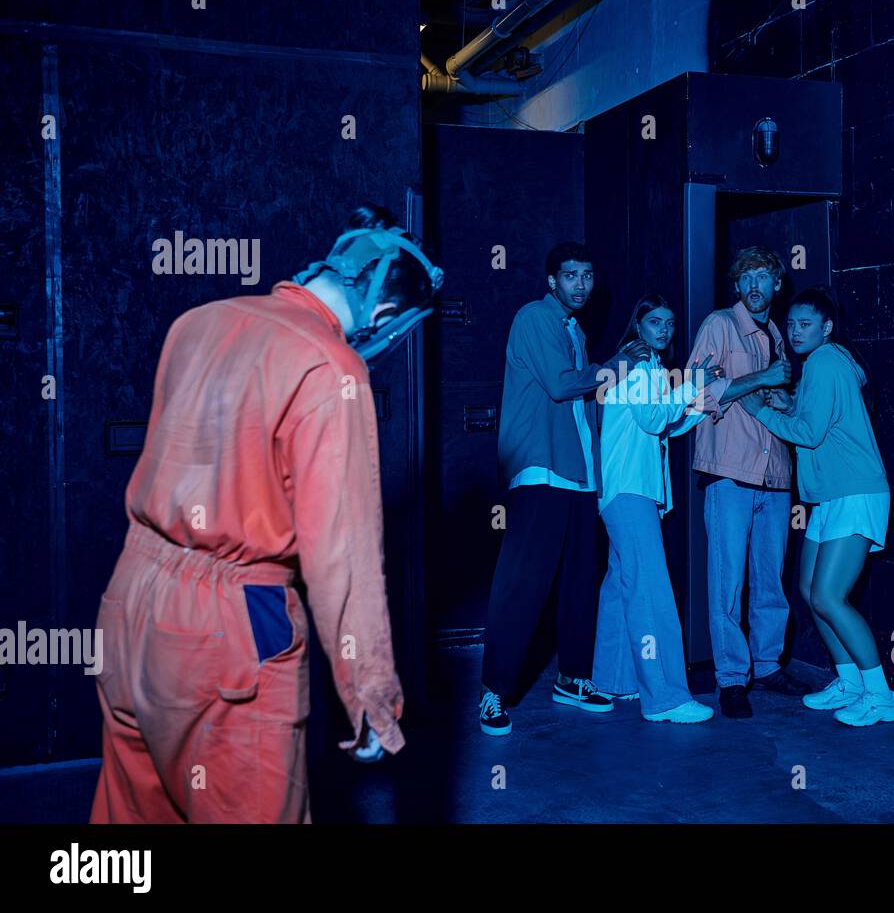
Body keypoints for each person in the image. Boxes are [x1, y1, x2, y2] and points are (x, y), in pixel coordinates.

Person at [90, 203, 445, 823]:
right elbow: (343, 555)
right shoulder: (331, 367)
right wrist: (370, 695)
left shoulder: (197, 321)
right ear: (385, 316)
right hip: (231, 629)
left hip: (131, 607)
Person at [478, 243, 651, 736]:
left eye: (588, 274)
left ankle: (573, 678)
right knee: (522, 585)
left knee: (579, 581)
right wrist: (616, 364)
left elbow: (583, 403)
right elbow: (559, 385)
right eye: (571, 275)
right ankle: (493, 691)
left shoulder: (573, 329)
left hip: (578, 475)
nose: (581, 284)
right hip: (541, 471)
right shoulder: (535, 317)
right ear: (552, 281)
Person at [736, 285, 894, 727]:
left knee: (830, 595)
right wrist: (789, 405)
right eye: (790, 324)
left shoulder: (826, 362)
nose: (795, 331)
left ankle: (881, 695)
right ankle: (850, 682)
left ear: (827, 328)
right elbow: (821, 424)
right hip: (830, 495)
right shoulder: (818, 365)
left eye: (805, 323)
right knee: (811, 594)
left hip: (855, 492)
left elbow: (808, 435)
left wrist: (759, 411)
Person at [684, 246, 811, 719]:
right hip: (730, 474)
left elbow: (772, 398)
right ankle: (732, 679)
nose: (755, 286)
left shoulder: (778, 333)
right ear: (737, 286)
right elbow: (695, 394)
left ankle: (767, 664)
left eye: (764, 278)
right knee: (727, 582)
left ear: (778, 286)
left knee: (770, 581)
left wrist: (782, 395)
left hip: (774, 474)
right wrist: (760, 378)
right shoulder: (719, 325)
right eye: (747, 278)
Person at [593, 294, 725, 724]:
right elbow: (653, 419)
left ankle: (615, 681)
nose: (664, 329)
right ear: (639, 325)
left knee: (621, 586)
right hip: (629, 493)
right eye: (655, 322)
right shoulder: (636, 364)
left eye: (669, 322)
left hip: (626, 492)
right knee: (650, 590)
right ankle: (665, 697)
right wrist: (693, 383)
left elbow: (661, 424)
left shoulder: (643, 366)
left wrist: (698, 404)